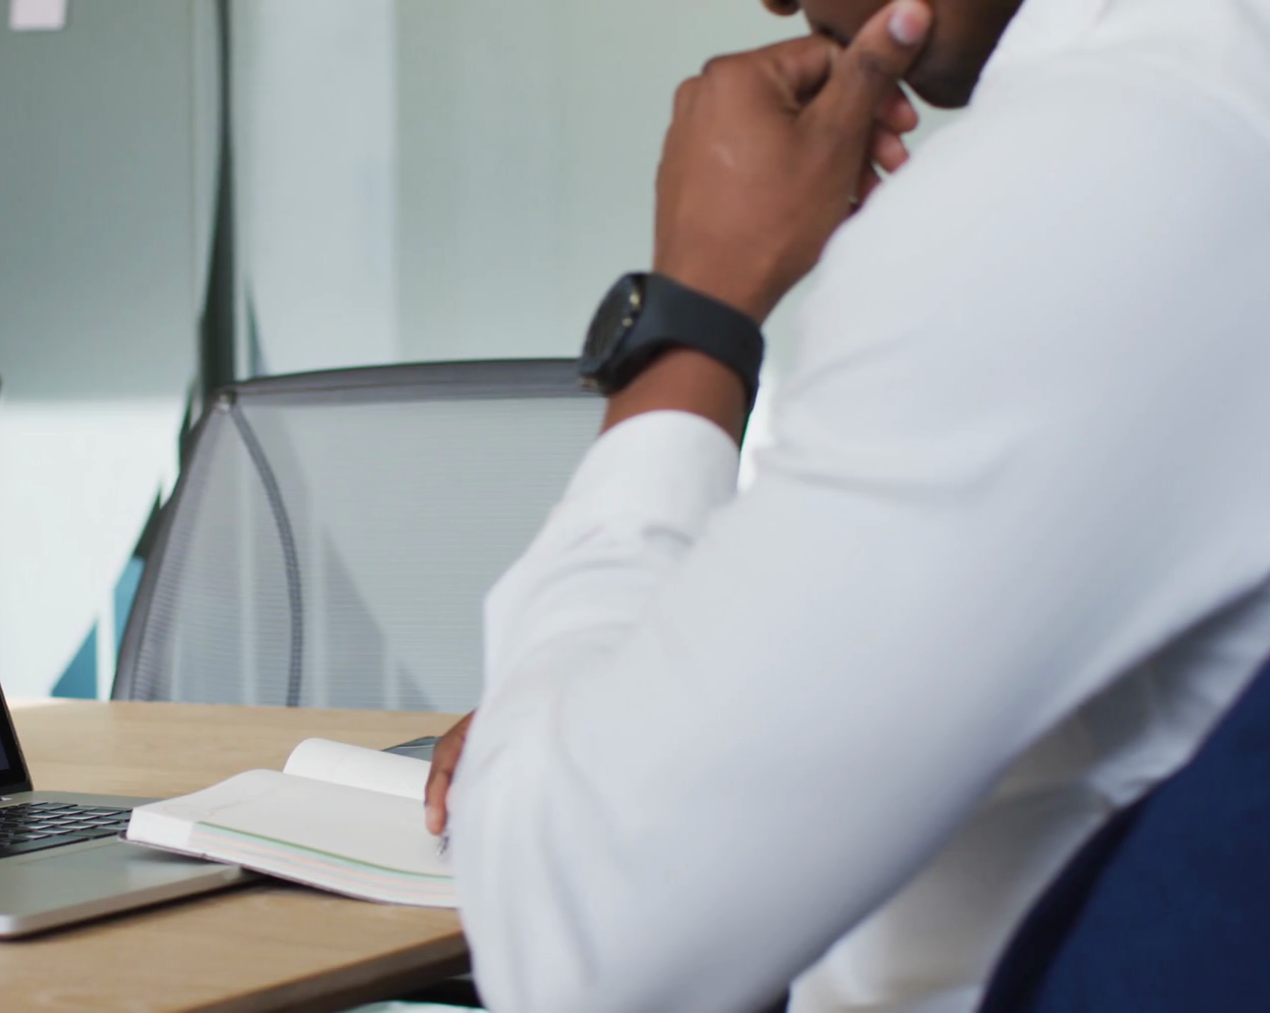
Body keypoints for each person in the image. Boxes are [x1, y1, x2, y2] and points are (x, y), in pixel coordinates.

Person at [422, 0, 1270, 1010]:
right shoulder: (1210, 98)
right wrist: (611, 707)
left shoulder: (1087, 174)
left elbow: (579, 955)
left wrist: (693, 312)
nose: (778, 1)